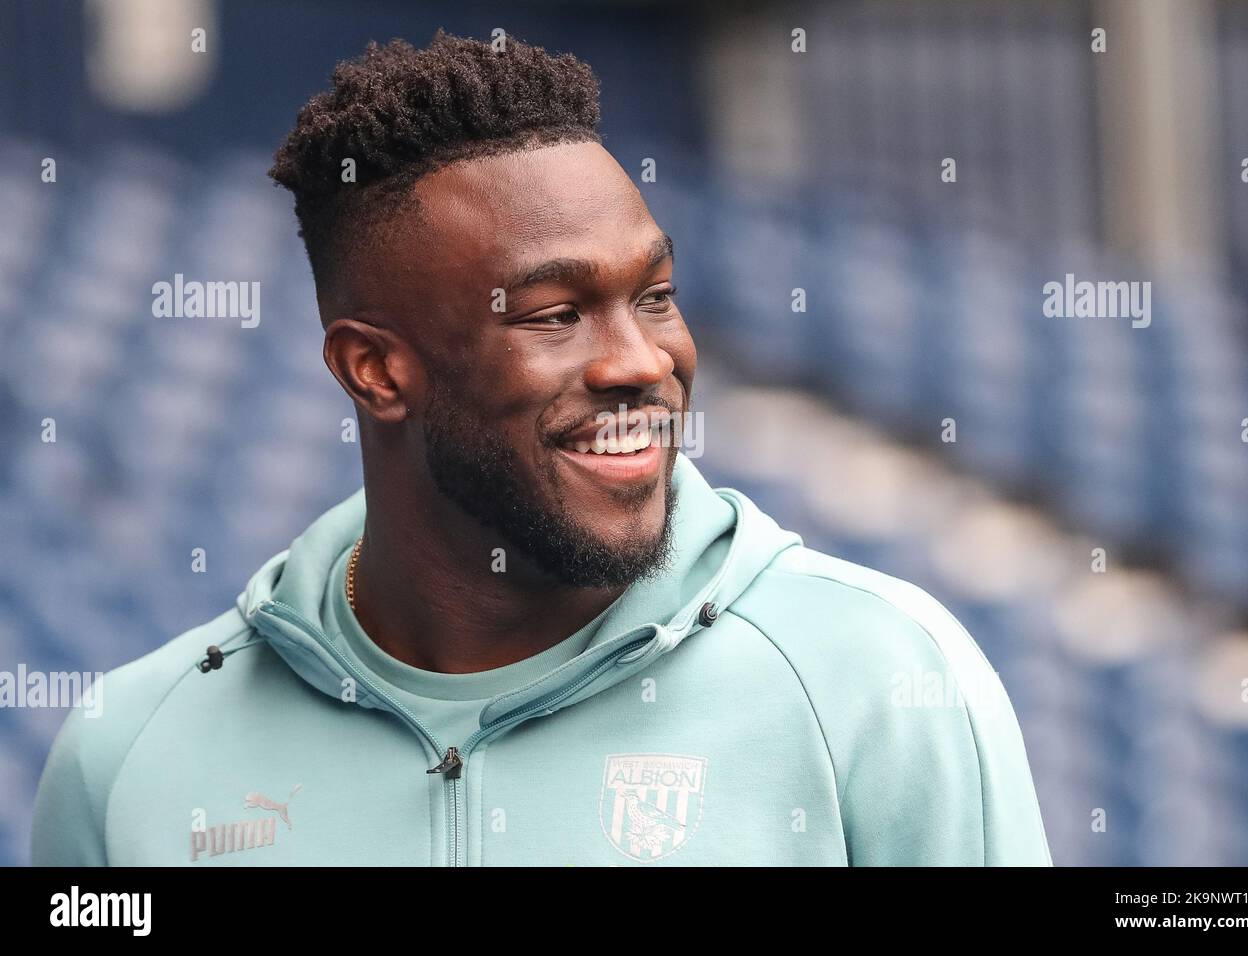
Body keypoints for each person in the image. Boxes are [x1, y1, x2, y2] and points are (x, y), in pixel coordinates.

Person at [32, 31, 1051, 866]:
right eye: (556, 313)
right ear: (375, 371)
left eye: (652, 296)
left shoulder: (879, 677)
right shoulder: (133, 752)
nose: (640, 361)